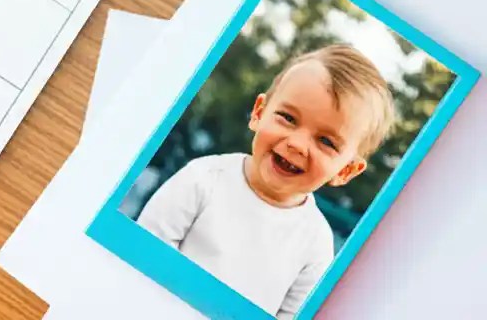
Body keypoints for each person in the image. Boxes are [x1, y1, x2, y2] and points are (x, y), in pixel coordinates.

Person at [136, 45, 396, 319]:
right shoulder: (204, 178)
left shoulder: (316, 243)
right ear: (259, 112)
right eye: (288, 118)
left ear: (346, 170)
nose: (297, 144)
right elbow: (141, 251)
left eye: (326, 141)